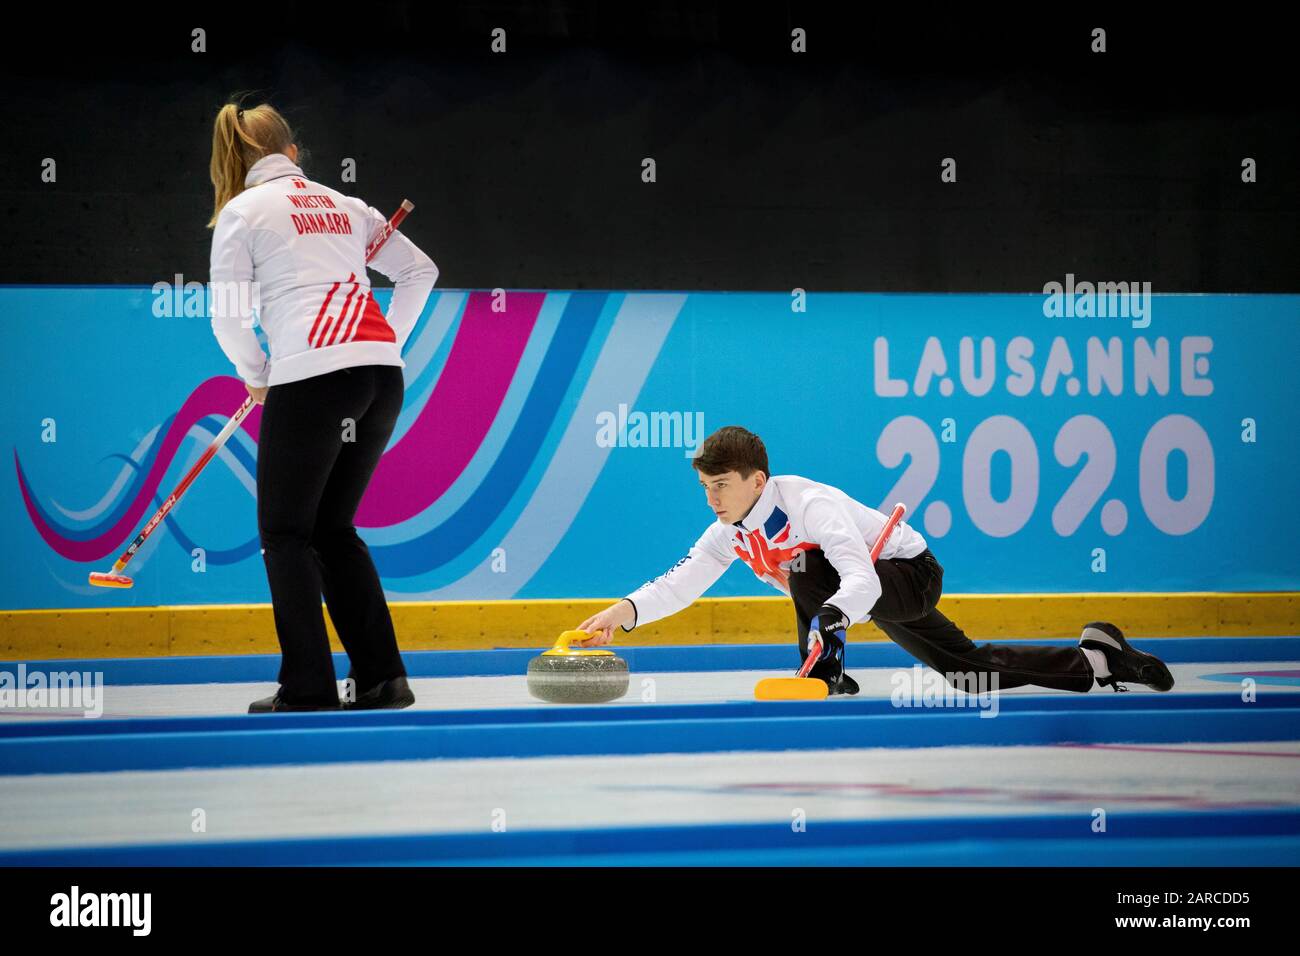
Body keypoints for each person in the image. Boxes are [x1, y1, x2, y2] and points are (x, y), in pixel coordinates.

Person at [576, 425, 1175, 696]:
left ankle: (824, 674)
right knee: (971, 674)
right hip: (868, 596)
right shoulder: (730, 529)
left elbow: (858, 576)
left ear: (758, 479)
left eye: (722, 485)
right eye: (705, 487)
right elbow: (681, 584)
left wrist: (832, 622)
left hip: (911, 577)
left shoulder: (811, 504)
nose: (711, 498)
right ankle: (1099, 660)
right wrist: (621, 613)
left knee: (809, 568)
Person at [207, 102, 438, 712]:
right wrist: (383, 342)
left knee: (286, 535)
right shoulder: (347, 205)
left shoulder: (243, 211)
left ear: (230, 160)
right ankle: (383, 678)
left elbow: (227, 316)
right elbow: (421, 271)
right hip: (380, 379)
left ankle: (307, 687)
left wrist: (257, 375)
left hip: (312, 378)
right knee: (333, 530)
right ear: (294, 152)